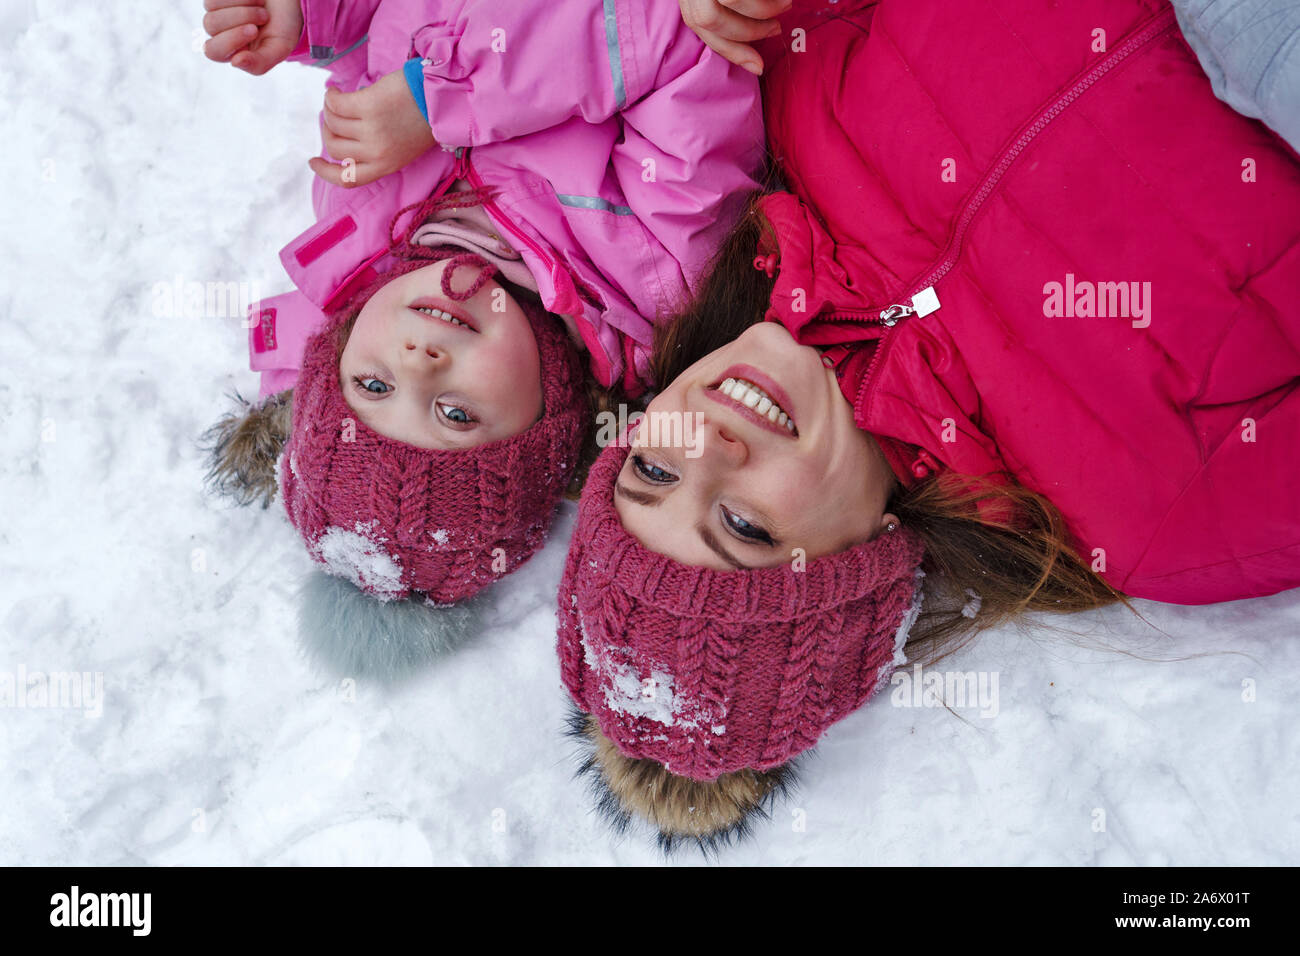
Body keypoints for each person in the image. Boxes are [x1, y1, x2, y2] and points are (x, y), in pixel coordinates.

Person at [558, 0, 1300, 849]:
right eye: (741, 523)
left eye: (651, 472)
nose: (707, 449)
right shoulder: (1160, 511)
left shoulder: (790, 92)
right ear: (864, 560)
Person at [199, 0, 766, 681]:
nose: (421, 364)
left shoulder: (364, 217)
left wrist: (317, 23)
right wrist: (444, 97)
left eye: (374, 386)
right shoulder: (659, 272)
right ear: (549, 420)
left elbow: (392, 28)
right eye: (456, 414)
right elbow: (681, 35)